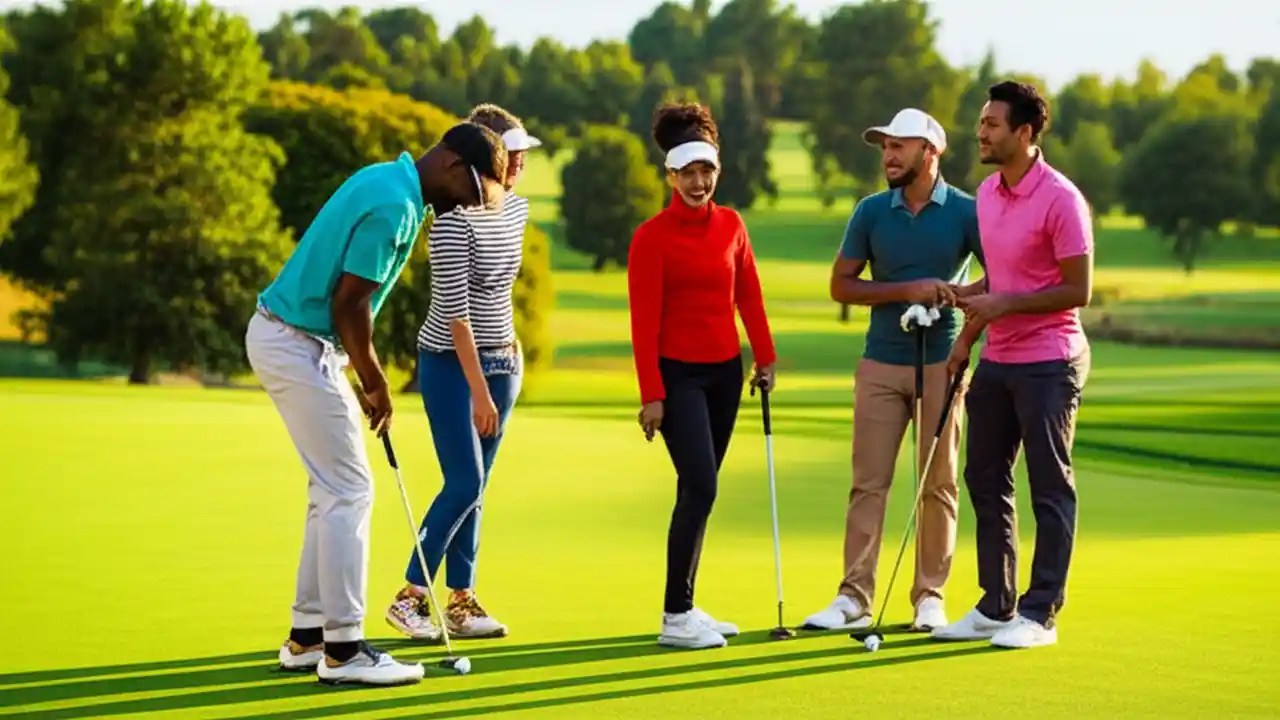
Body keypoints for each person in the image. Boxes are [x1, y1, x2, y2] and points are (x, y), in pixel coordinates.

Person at [246, 123, 508, 686]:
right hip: (298, 342)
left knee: (330, 490)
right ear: (454, 166)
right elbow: (349, 302)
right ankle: (344, 649)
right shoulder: (395, 207)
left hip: (291, 339)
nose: (465, 207)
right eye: (471, 192)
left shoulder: (389, 180)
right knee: (350, 489)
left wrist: (358, 369)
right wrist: (374, 380)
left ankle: (307, 636)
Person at [801, 108, 983, 634]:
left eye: (900, 146)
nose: (889, 155)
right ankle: (853, 597)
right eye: (885, 146)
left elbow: (1001, 274)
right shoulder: (871, 212)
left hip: (942, 362)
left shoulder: (967, 213)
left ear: (931, 152)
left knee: (939, 484)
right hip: (881, 361)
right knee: (868, 484)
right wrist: (908, 289)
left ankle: (930, 597)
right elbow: (842, 285)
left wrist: (958, 296)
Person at [931, 80, 1093, 649]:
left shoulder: (1062, 200)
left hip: (1050, 359)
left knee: (1048, 485)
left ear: (1024, 134)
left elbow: (1078, 290)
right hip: (998, 357)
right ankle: (997, 605)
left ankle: (1041, 612)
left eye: (993, 124)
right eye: (982, 122)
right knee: (984, 477)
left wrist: (1001, 303)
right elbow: (1000, 278)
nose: (981, 131)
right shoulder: (989, 193)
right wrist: (966, 331)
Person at [385, 103, 542, 643]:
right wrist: (479, 390)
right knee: (465, 481)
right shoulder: (451, 218)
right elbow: (455, 316)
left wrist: (510, 353)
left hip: (503, 362)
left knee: (478, 489)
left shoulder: (517, 210)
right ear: (488, 153)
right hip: (452, 365)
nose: (521, 160)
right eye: (513, 150)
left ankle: (461, 600)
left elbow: (499, 292)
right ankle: (409, 597)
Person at [627, 102, 778, 650]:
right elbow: (643, 324)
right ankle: (675, 616)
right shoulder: (651, 238)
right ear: (670, 174)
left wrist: (765, 356)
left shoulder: (732, 225)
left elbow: (749, 295)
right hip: (677, 375)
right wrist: (652, 395)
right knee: (702, 484)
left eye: (706, 171)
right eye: (687, 172)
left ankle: (687, 603)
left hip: (724, 375)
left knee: (699, 490)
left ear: (718, 170)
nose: (698, 181)